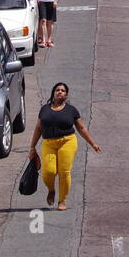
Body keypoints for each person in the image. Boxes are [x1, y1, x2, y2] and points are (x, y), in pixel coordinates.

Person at [29, 82, 101, 211]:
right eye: (57, 90)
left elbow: (81, 128)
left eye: (62, 90)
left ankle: (62, 200)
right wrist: (32, 147)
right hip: (48, 143)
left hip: (67, 142)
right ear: (53, 93)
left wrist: (93, 143)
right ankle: (51, 190)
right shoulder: (44, 109)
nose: (60, 92)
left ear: (66, 95)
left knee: (64, 172)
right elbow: (38, 128)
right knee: (48, 172)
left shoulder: (71, 110)